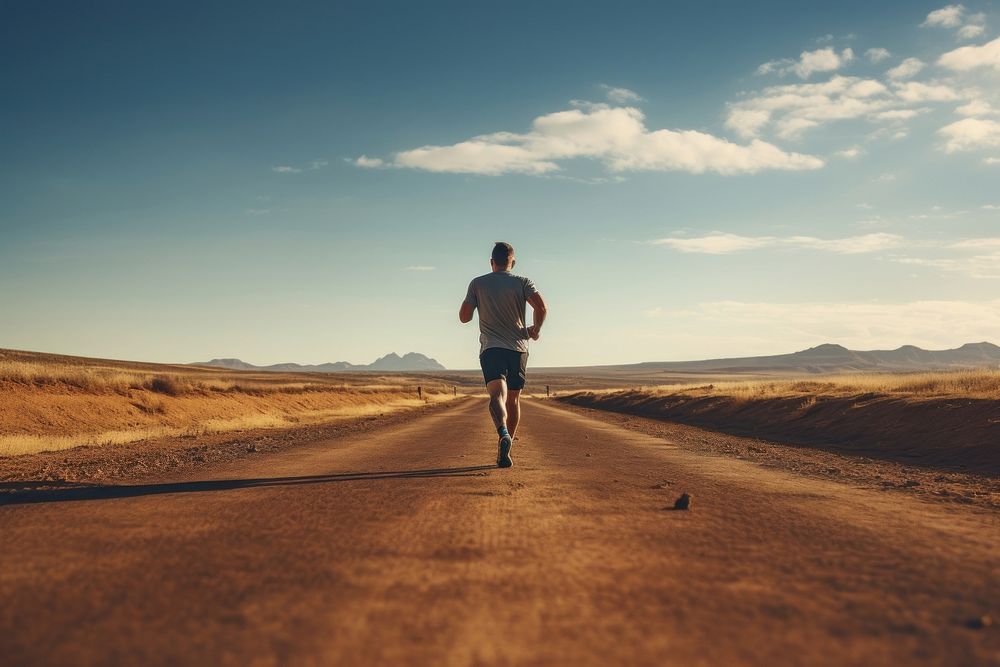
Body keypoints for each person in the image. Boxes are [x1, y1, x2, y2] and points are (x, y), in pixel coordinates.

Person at [459, 242, 547, 468]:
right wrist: (535, 330)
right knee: (514, 399)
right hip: (518, 348)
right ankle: (508, 446)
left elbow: (464, 317)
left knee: (497, 395)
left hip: (492, 348)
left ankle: (503, 433)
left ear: (491, 262)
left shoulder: (477, 283)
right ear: (512, 262)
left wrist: (476, 301)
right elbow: (542, 308)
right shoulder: (523, 282)